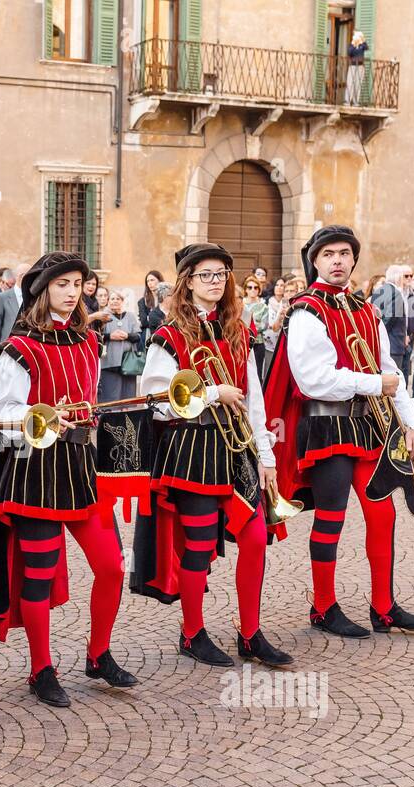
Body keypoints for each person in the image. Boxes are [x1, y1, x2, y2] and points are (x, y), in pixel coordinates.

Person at [262, 225, 414, 638]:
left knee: (383, 513)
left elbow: (389, 369)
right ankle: (323, 608)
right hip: (327, 424)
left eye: (344, 253)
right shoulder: (305, 310)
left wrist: (413, 420)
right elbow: (310, 380)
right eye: (328, 254)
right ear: (316, 262)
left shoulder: (364, 309)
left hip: (369, 425)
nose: (337, 260)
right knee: (331, 517)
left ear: (354, 260)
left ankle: (384, 607)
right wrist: (373, 384)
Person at [0, 251, 136, 707]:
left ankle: (98, 653)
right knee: (37, 577)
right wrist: (41, 413)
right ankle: (40, 668)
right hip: (35, 470)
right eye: (63, 284)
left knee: (111, 565)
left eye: (78, 284)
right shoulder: (20, 347)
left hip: (79, 467)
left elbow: (89, 396)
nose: (73, 292)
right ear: (43, 289)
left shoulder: (89, 340)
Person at [131, 244, 291, 667]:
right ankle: (192, 633)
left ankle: (251, 633)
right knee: (198, 548)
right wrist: (209, 394)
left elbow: (254, 397)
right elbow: (156, 400)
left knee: (256, 537)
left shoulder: (239, 330)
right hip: (192, 450)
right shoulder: (167, 336)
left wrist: (266, 455)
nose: (216, 282)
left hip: (236, 446)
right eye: (206, 275)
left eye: (221, 274)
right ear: (188, 281)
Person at [371, 265, 414, 382]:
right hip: (394, 343)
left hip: (379, 342)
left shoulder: (378, 291)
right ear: (398, 278)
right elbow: (391, 317)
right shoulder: (396, 294)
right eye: (403, 277)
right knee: (394, 380)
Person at [98, 289, 142, 403]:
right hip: (109, 362)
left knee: (128, 396)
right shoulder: (103, 317)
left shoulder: (130, 316)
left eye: (118, 299)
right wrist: (110, 336)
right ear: (108, 302)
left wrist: (127, 335)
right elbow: (97, 336)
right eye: (112, 299)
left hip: (128, 363)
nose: (115, 301)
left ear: (122, 301)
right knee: (110, 396)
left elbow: (138, 336)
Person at [0, 263, 30, 346]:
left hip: (29, 347)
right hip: (8, 346)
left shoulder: (34, 297)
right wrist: (4, 340)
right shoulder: (1, 297)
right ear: (22, 276)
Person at [345, 30, 368, 106]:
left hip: (360, 66)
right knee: (350, 83)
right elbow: (349, 52)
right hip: (352, 66)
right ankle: (347, 101)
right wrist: (353, 44)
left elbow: (366, 47)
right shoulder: (352, 45)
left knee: (358, 84)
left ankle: (356, 102)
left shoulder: (362, 45)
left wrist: (362, 40)